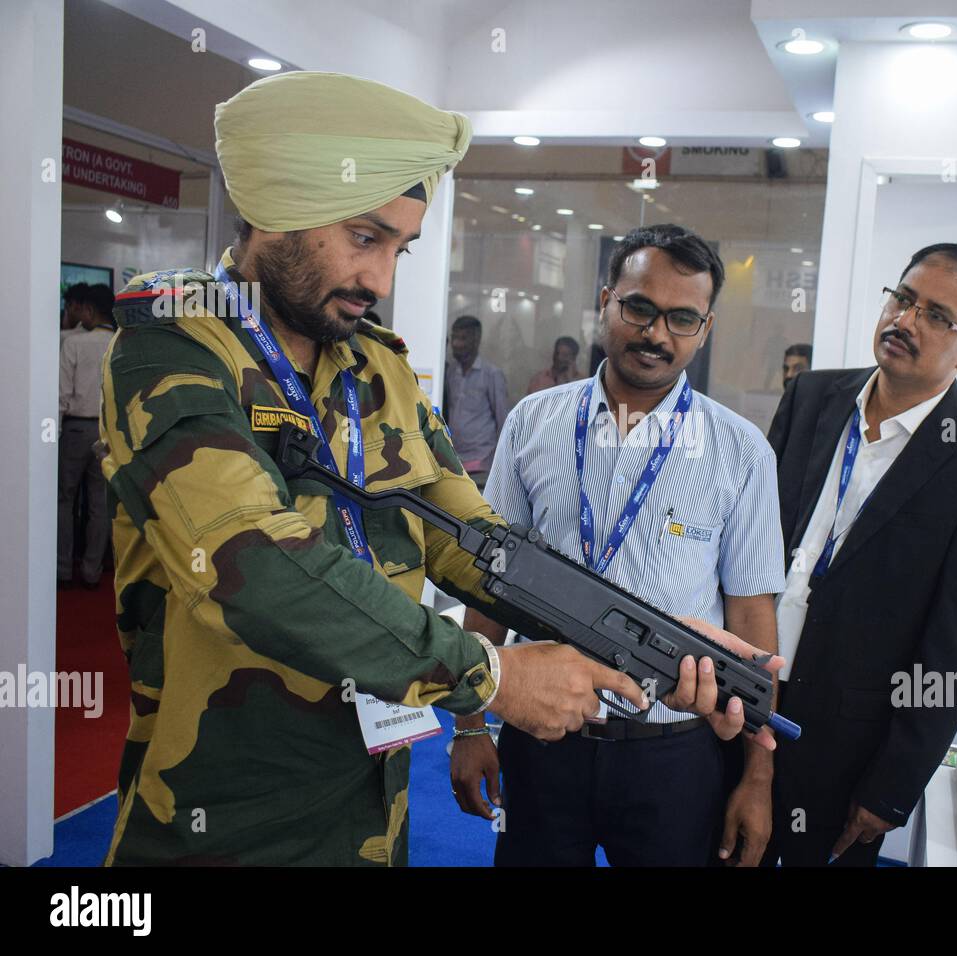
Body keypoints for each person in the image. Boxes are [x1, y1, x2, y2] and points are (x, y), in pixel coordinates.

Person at [98, 71, 769, 867]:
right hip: (224, 805)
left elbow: (474, 542)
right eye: (363, 236)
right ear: (275, 208)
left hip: (368, 797)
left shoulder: (374, 366)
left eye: (399, 248)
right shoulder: (174, 344)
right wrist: (489, 679)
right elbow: (254, 563)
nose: (381, 281)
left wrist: (648, 638)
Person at [450, 224, 787, 867]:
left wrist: (759, 778)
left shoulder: (741, 450)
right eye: (639, 307)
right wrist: (470, 723)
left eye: (681, 318)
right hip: (543, 735)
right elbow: (488, 578)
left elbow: (751, 618)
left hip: (675, 753)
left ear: (704, 329)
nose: (656, 334)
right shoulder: (533, 421)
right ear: (607, 300)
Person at [765, 243, 957, 867]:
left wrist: (891, 789)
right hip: (741, 706)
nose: (906, 321)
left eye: (938, 316)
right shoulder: (810, 398)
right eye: (903, 298)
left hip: (845, 753)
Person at [57, 283, 116, 587]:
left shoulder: (73, 344)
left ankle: (63, 569)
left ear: (89, 311)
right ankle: (92, 571)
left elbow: (62, 396)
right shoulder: (121, 342)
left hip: (76, 428)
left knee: (65, 500)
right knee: (99, 504)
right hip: (109, 433)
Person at [444, 315, 508, 485]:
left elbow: (503, 422)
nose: (456, 344)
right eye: (454, 337)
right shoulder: (451, 373)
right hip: (454, 459)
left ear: (476, 340)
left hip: (481, 462)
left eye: (463, 338)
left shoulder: (492, 374)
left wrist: (499, 462)